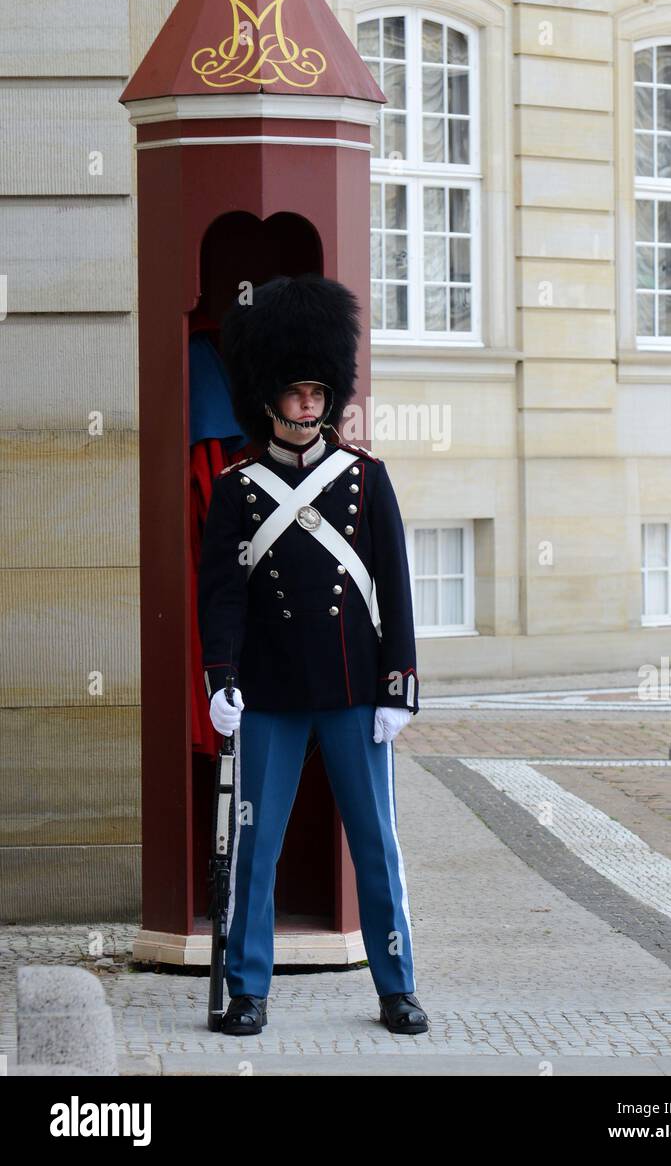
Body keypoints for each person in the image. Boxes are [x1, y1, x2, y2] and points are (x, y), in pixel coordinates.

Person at [197, 273, 429, 1036]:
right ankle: (248, 988)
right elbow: (223, 594)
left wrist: (400, 687)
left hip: (355, 689)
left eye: (316, 391)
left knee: (374, 846)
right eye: (294, 392)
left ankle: (395, 985)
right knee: (257, 848)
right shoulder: (237, 488)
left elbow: (394, 586)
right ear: (267, 396)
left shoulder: (367, 479)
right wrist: (220, 678)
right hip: (269, 693)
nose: (307, 404)